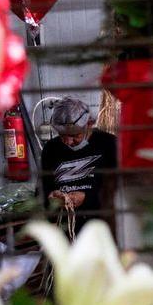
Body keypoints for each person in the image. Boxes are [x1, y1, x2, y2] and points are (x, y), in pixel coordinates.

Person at [40, 97, 118, 231]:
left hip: (102, 228)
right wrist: (51, 197)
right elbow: (41, 191)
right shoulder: (50, 149)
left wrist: (87, 197)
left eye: (75, 135)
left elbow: (120, 190)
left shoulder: (109, 144)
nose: (68, 142)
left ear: (89, 124)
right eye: (62, 135)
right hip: (66, 229)